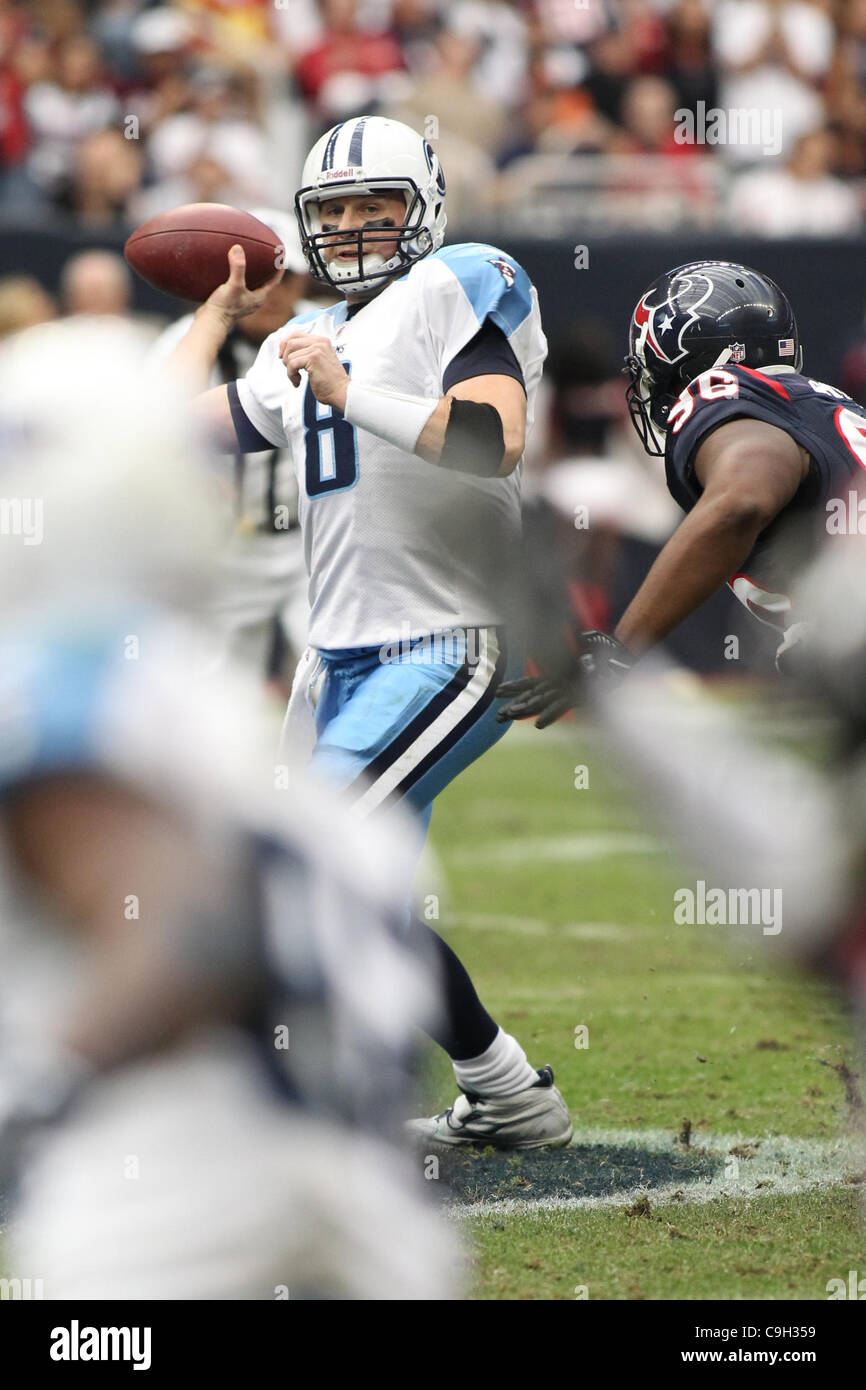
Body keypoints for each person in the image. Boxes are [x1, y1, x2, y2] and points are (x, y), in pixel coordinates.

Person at [0, 318, 457, 1299]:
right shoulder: (231, 726)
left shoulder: (67, 683)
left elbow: (187, 923)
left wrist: (45, 1090)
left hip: (160, 1197)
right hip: (372, 1214)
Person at [166, 114, 571, 1148]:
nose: (348, 226)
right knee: (362, 893)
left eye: (371, 205)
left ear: (422, 207)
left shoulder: (459, 281)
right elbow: (161, 434)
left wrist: (350, 391)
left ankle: (292, 1124)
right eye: (331, 210)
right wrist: (213, 316)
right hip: (333, 660)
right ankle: (508, 1092)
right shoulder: (307, 344)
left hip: (445, 641)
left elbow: (489, 441)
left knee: (300, 866)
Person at [498, 259, 866, 725]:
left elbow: (741, 501)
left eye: (651, 370)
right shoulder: (827, 405)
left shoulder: (722, 393)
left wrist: (622, 647)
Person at [150, 209, 315, 683]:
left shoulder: (328, 332)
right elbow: (152, 423)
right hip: (226, 544)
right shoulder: (187, 341)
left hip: (314, 541)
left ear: (301, 283)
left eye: (282, 279)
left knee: (335, 678)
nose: (270, 293)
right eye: (257, 279)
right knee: (213, 685)